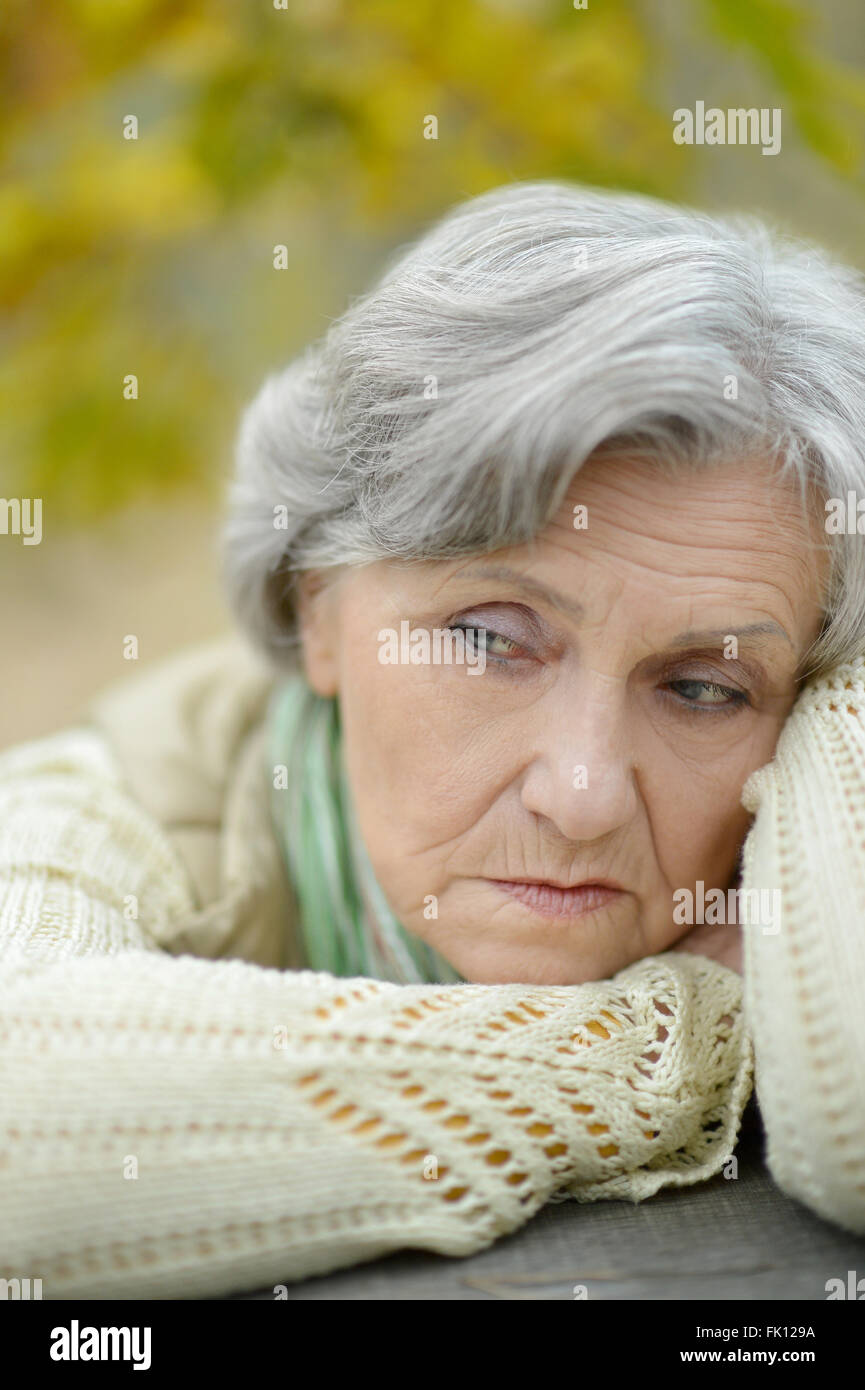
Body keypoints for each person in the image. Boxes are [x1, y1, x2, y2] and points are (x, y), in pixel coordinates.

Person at [1, 180, 864, 1300]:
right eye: (496, 639)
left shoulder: (794, 771)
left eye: (701, 686)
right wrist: (661, 1048)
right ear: (316, 605)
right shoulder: (115, 814)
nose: (585, 792)